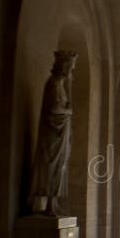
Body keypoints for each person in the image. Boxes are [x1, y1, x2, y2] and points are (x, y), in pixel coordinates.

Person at [29, 50, 77, 216]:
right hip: (53, 137)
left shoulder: (60, 86)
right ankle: (49, 204)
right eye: (71, 67)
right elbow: (54, 108)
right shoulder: (53, 84)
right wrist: (69, 111)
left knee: (60, 168)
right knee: (52, 166)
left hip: (60, 135)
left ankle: (53, 203)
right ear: (64, 66)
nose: (72, 71)